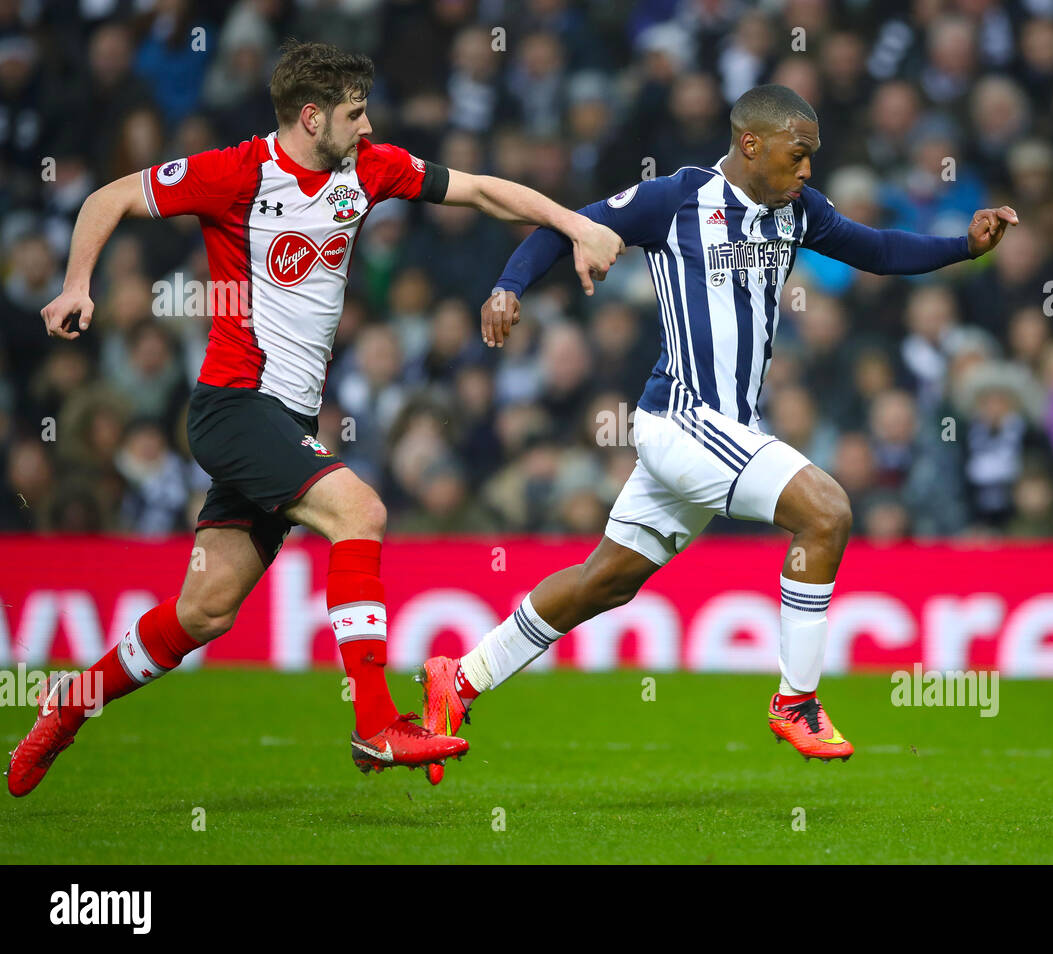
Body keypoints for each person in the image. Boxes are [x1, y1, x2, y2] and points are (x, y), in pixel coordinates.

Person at [7, 40, 623, 798]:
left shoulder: (368, 169)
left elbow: (483, 192)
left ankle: (68, 705)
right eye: (354, 115)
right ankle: (374, 721)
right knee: (358, 510)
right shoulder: (234, 172)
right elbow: (109, 199)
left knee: (204, 611)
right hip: (233, 405)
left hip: (283, 418)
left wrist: (575, 224)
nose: (367, 129)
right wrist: (78, 286)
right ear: (311, 116)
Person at [419, 84, 1016, 782]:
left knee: (604, 582)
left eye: (813, 159)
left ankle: (458, 679)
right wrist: (507, 287)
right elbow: (565, 227)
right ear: (752, 144)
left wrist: (963, 247)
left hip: (721, 430)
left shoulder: (800, 210)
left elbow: (877, 249)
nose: (808, 172)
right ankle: (796, 702)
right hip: (682, 419)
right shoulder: (673, 199)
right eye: (799, 155)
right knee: (827, 512)